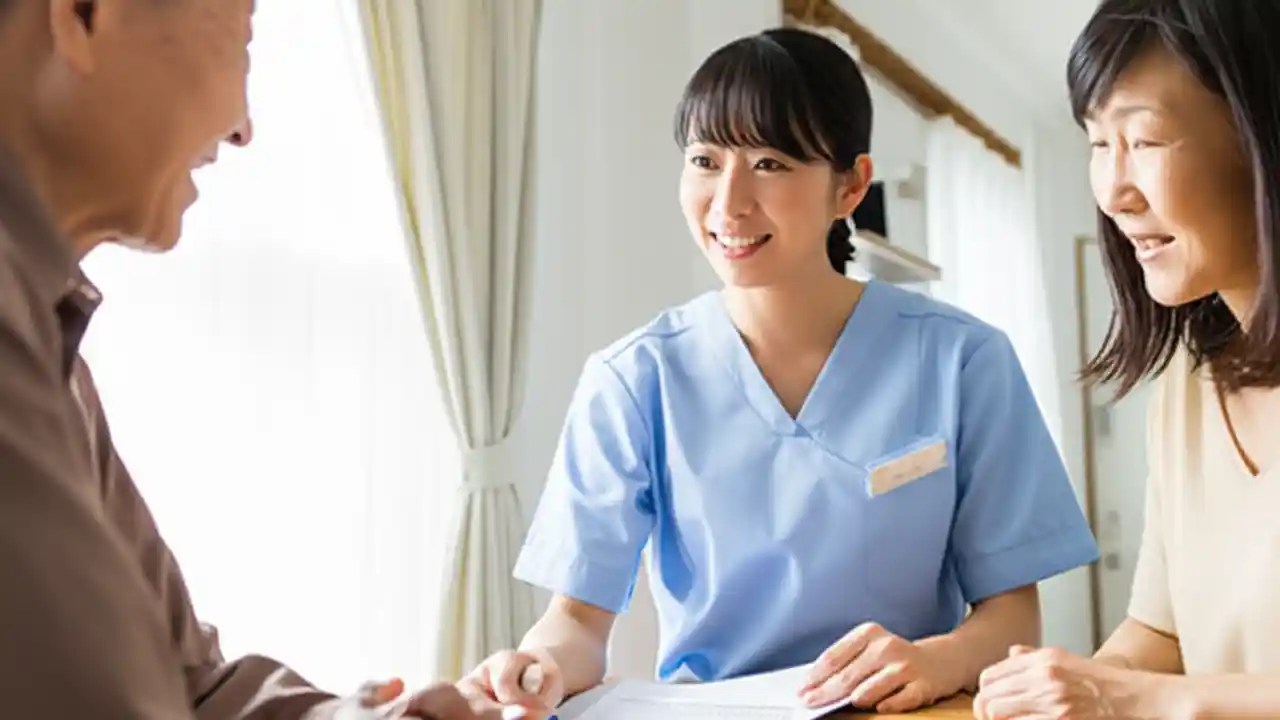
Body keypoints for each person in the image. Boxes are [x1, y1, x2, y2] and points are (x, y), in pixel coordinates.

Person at [459, 28, 1098, 717]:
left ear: (850, 185)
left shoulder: (963, 362)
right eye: (705, 160)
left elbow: (1012, 617)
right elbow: (578, 626)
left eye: (769, 163)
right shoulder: (635, 379)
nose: (728, 202)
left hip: (907, 710)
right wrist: (538, 667)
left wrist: (936, 658)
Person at [0, 1, 501, 717]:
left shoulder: (52, 347)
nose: (242, 126)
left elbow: (191, 685)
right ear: (83, 17)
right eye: (240, 39)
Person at [973, 1, 1280, 718]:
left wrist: (1142, 699)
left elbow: (1155, 688)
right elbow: (1159, 632)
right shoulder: (1188, 388)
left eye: (1144, 140)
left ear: (1260, 136)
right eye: (1096, 144)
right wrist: (1066, 690)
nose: (1113, 192)